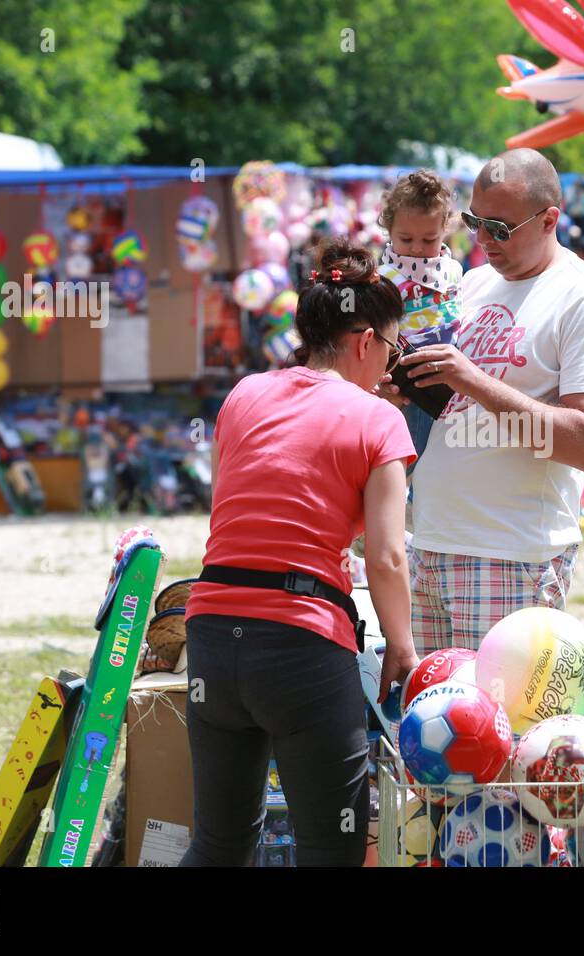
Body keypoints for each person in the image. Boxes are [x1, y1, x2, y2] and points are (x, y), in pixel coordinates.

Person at [180, 239, 419, 867]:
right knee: (331, 848)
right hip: (301, 646)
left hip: (210, 631)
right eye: (391, 350)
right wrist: (402, 645)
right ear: (366, 340)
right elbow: (388, 556)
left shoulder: (243, 396)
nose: (388, 367)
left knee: (219, 843)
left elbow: (238, 511)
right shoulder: (378, 420)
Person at [389, 148, 584, 652]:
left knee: (496, 727)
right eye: (475, 221)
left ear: (549, 221)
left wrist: (472, 379)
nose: (481, 239)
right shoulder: (470, 285)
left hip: (511, 555)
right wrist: (396, 393)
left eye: (499, 227)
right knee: (421, 724)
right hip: (428, 546)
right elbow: (447, 411)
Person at [377, 169, 464, 465]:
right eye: (406, 238)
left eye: (429, 239)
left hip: (455, 374)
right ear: (389, 230)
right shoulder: (386, 278)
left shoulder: (452, 269)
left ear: (445, 231)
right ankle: (404, 500)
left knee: (447, 454)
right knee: (412, 455)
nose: (416, 248)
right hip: (411, 376)